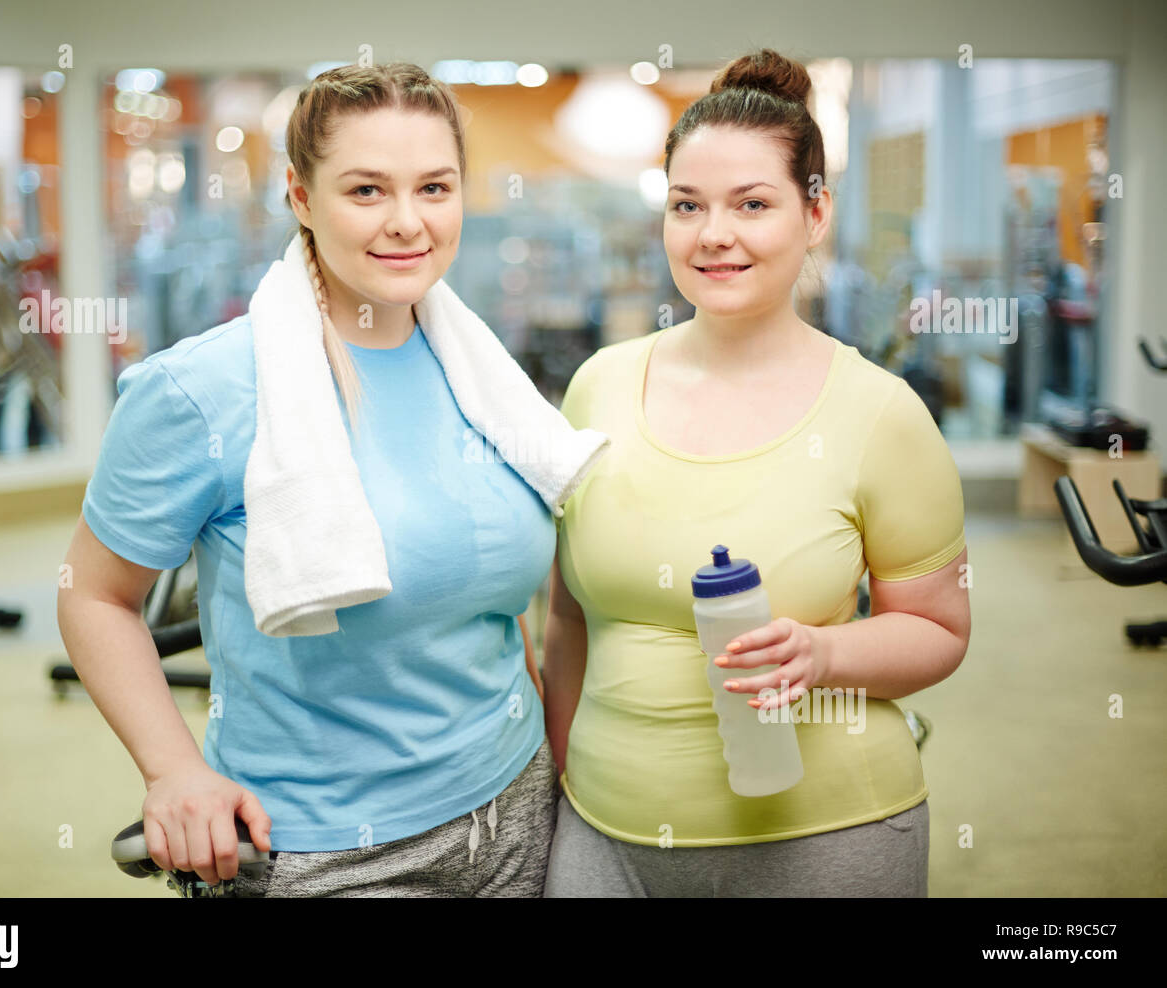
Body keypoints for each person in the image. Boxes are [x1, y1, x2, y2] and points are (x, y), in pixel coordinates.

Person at [57, 63, 577, 898]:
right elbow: (92, 596)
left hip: (518, 809)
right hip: (329, 851)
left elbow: (491, 593)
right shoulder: (203, 390)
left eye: (435, 188)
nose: (408, 222)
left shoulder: (478, 368)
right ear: (301, 196)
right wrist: (172, 770)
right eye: (366, 190)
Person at [541, 49, 971, 897]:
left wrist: (823, 652)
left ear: (815, 214)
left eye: (752, 204)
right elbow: (565, 620)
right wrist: (566, 787)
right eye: (687, 205)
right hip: (603, 836)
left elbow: (941, 631)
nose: (714, 235)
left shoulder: (880, 413)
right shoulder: (598, 386)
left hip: (825, 837)